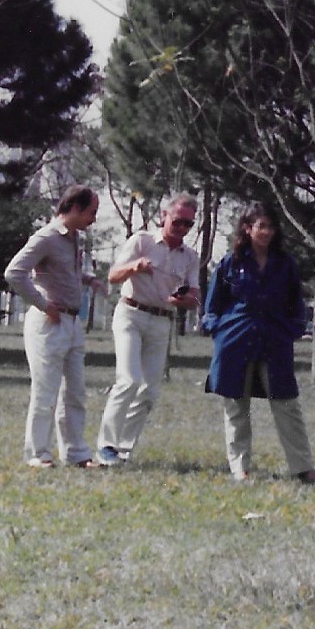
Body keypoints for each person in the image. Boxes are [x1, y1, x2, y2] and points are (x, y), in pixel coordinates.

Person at [202, 202, 315, 483]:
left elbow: (296, 303)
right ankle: (240, 469)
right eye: (260, 226)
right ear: (247, 228)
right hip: (235, 342)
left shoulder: (285, 264)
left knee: (287, 405)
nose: (266, 232)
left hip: (274, 341)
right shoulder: (231, 263)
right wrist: (217, 329)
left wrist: (292, 329)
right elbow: (212, 306)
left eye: (271, 226)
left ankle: (303, 467)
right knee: (236, 407)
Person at [95, 193, 203, 466]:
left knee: (149, 391)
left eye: (188, 225)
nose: (182, 229)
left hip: (161, 319)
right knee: (129, 379)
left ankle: (123, 450)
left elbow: (194, 297)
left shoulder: (190, 256)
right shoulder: (141, 241)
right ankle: (106, 445)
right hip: (131, 313)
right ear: (163, 217)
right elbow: (113, 276)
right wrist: (135, 266)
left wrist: (185, 300)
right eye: (178, 222)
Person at [4, 184, 101, 468]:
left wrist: (89, 280)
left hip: (72, 323)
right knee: (46, 391)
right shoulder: (46, 237)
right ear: (75, 208)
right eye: (91, 212)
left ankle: (76, 453)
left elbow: (62, 273)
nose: (93, 219)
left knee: (75, 391)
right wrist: (43, 304)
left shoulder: (73, 240)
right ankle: (38, 454)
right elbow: (14, 273)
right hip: (48, 323)